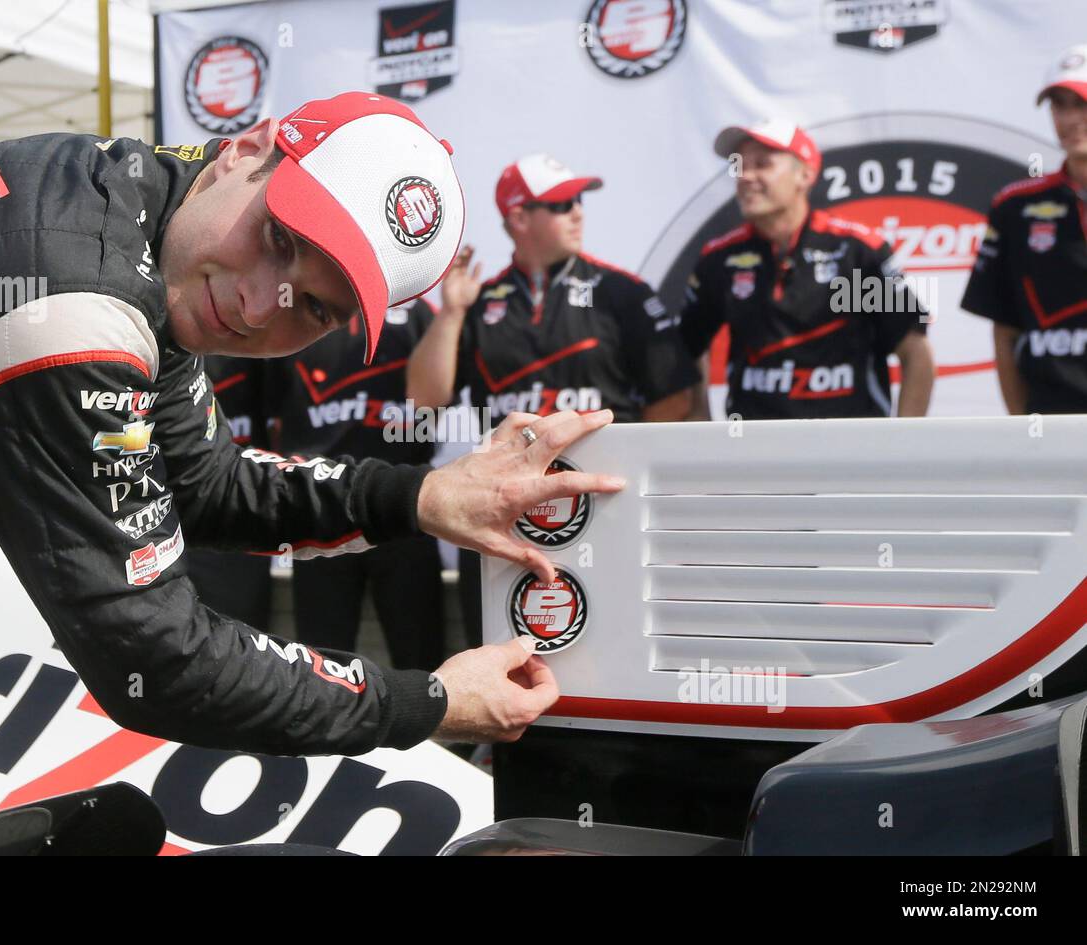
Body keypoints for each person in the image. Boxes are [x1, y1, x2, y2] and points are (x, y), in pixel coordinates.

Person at [0, 91, 624, 854]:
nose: (262, 305)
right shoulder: (72, 295)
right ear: (245, 151)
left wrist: (421, 495)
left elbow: (206, 482)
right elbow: (153, 656)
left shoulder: (149, 224)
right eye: (282, 240)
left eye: (315, 307)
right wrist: (427, 702)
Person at [406, 152, 699, 645]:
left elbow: (671, 398)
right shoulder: (481, 301)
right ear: (519, 217)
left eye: (579, 201)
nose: (579, 212)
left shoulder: (621, 292)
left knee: (615, 641)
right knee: (508, 643)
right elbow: (424, 400)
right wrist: (452, 312)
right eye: (562, 204)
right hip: (508, 508)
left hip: (603, 502)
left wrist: (609, 457)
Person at [679, 120, 935, 421]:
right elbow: (687, 347)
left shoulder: (856, 250)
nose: (746, 176)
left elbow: (915, 352)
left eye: (762, 164)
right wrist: (701, 424)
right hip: (752, 450)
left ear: (805, 174)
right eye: (739, 166)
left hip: (850, 448)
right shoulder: (721, 257)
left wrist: (903, 444)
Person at [266, 299, 446, 672]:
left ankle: (433, 733)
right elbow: (271, 416)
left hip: (403, 507)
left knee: (421, 661)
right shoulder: (292, 310)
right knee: (320, 666)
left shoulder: (419, 312)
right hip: (318, 510)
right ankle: (325, 731)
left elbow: (431, 403)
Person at [961, 44, 1087, 415]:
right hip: (1053, 418)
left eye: (1081, 103)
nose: (1070, 119)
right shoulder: (1015, 206)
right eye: (1059, 105)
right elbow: (1004, 329)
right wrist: (1023, 428)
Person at [186, 355, 273, 629]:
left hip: (237, 516)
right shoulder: (155, 340)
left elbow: (283, 422)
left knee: (240, 637)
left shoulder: (266, 345)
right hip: (166, 521)